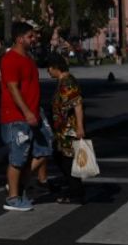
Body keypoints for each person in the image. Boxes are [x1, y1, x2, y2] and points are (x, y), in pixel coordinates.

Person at [0, 23, 52, 212]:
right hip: (16, 117)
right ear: (20, 38)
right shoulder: (10, 59)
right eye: (31, 36)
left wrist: (36, 111)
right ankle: (13, 198)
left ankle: (19, 185)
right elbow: (13, 89)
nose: (34, 39)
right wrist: (27, 112)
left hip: (34, 114)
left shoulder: (28, 58)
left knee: (46, 149)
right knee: (17, 158)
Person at [45, 53, 86, 204]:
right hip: (62, 129)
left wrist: (80, 127)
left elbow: (77, 104)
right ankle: (74, 189)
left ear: (56, 67)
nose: (47, 71)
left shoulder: (67, 82)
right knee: (61, 157)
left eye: (49, 68)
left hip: (70, 128)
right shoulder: (62, 81)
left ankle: (76, 192)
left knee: (67, 160)